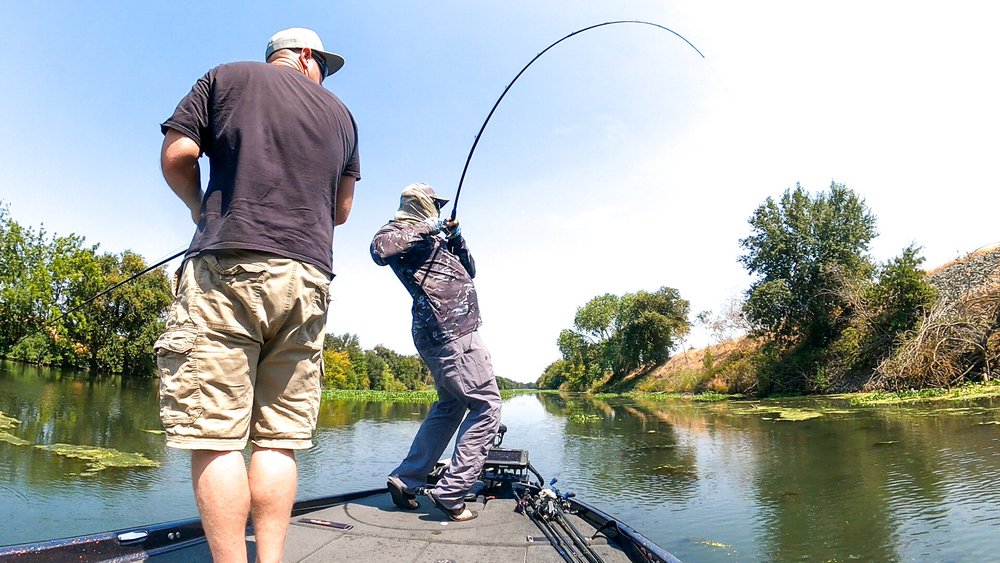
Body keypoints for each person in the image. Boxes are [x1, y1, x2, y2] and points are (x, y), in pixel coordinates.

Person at [154, 27, 360, 563]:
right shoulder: (343, 118)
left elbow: (178, 153)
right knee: (278, 439)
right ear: (307, 57)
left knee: (217, 433)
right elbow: (341, 211)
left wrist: (199, 207)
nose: (323, 79)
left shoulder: (228, 76)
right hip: (309, 280)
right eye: (324, 68)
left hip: (230, 266)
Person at [370, 182, 502, 522]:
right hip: (453, 333)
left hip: (446, 335)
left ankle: (407, 478)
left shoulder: (432, 239)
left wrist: (455, 238)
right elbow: (379, 249)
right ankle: (452, 493)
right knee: (486, 406)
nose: (439, 211)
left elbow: (469, 269)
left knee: (450, 406)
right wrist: (432, 227)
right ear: (419, 204)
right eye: (434, 205)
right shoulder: (399, 232)